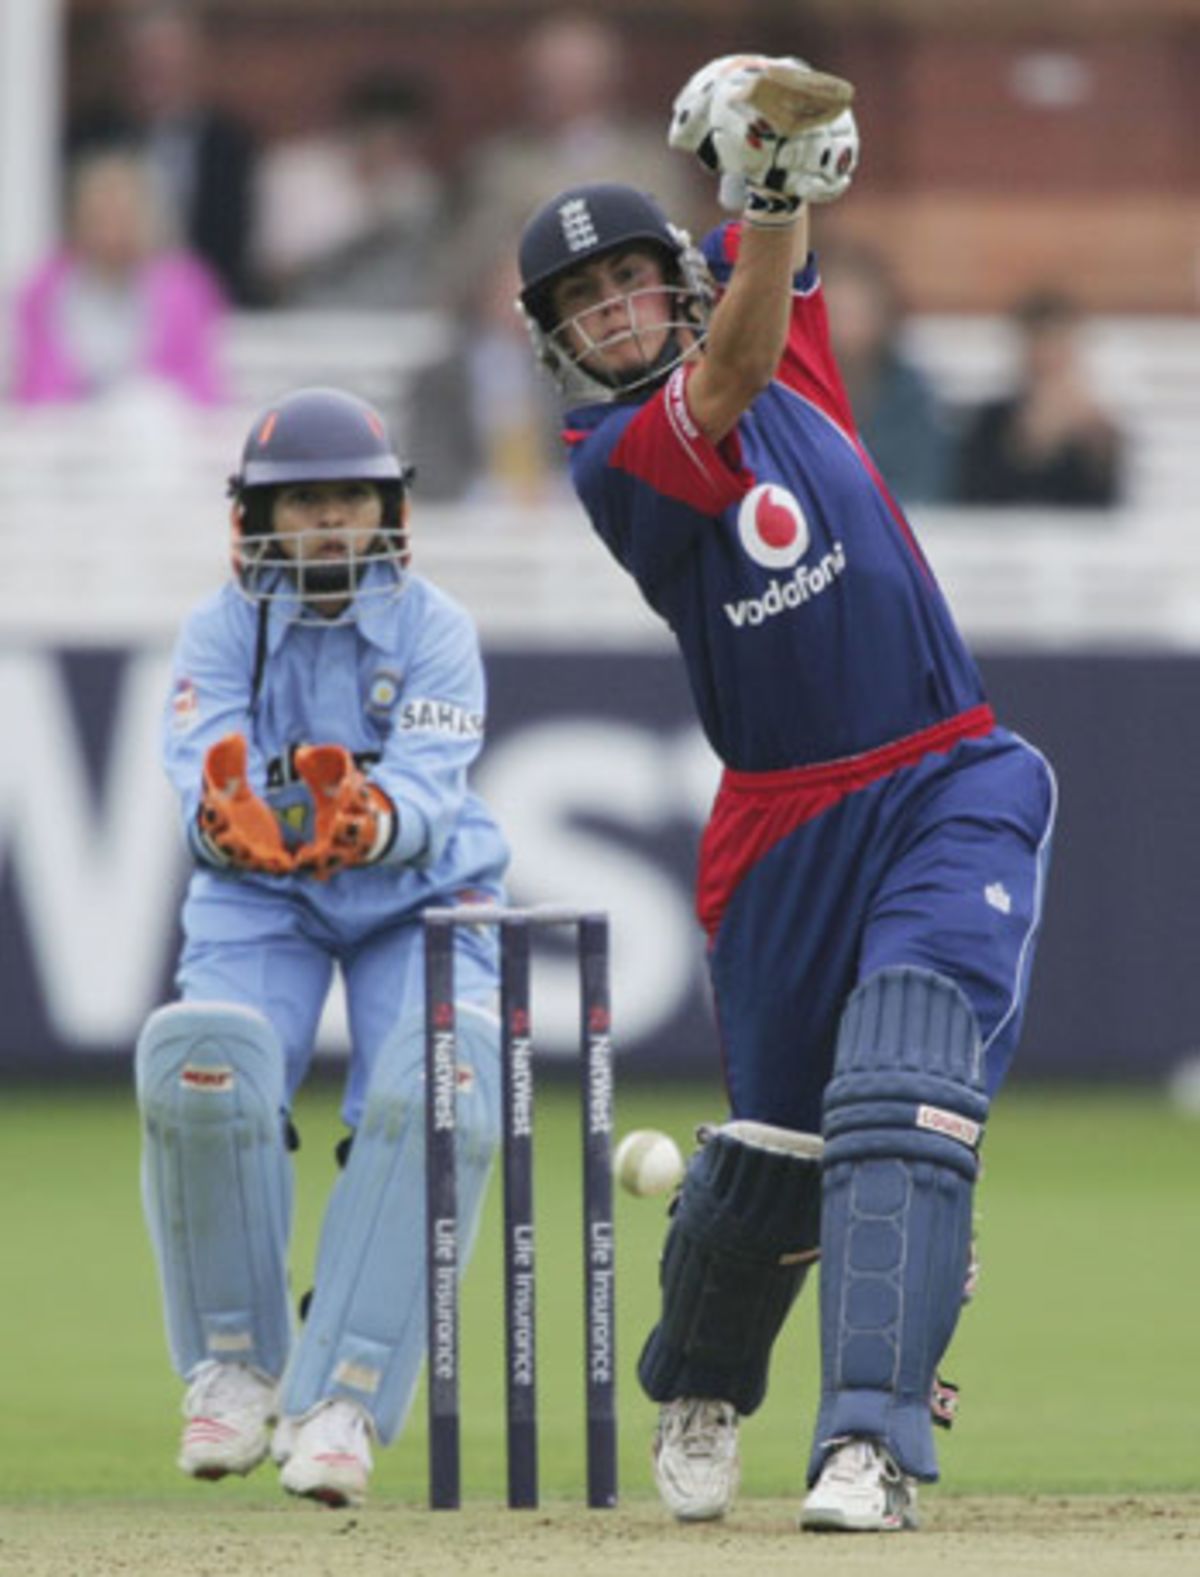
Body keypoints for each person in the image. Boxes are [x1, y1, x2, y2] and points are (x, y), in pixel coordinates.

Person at [516, 55, 1057, 1533]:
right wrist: (758, 193)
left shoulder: (774, 316)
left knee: (900, 1093)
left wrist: (772, 128)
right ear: (558, 343)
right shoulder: (616, 460)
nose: (618, 313)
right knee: (772, 1173)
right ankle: (699, 1376)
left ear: (673, 282)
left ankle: (867, 1448)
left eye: (635, 282)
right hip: (780, 833)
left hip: (945, 769)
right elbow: (735, 354)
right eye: (586, 306)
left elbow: (792, 206)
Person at [134, 386, 509, 1508]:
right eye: (305, 502)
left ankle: (340, 1390)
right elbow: (204, 756)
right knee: (206, 1061)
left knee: (440, 1091)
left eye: (351, 495)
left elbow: (430, 783)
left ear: (390, 504)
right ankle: (237, 1367)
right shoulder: (220, 623)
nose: (333, 520)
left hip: (419, 890)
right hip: (264, 896)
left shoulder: (437, 626)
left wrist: (369, 820)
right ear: (260, 520)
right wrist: (229, 815)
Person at [69, 1, 260, 305]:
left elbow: (236, 250)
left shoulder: (229, 146)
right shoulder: (88, 138)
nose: (155, 75)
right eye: (145, 61)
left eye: (166, 62)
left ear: (192, 64)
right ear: (124, 64)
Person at [11, 148, 226, 406]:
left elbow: (198, 383)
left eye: (123, 216)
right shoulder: (44, 289)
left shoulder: (184, 288)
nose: (111, 230)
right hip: (64, 426)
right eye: (100, 216)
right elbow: (34, 384)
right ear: (79, 219)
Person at [255, 69, 446, 311]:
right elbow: (271, 273)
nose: (388, 149)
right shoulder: (296, 172)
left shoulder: (419, 189)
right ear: (355, 129)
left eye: (403, 141)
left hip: (388, 321)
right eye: (381, 135)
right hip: (300, 317)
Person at [955, 287, 1123, 507]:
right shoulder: (989, 422)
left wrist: (1098, 453)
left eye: (1060, 346)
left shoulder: (1095, 430)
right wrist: (1029, 446)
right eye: (1041, 345)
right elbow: (975, 500)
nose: (1050, 358)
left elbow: (1106, 510)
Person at [821, 239, 952, 505]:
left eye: (855, 314)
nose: (843, 329)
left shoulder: (911, 398)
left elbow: (923, 486)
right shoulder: (778, 395)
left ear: (883, 316)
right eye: (832, 313)